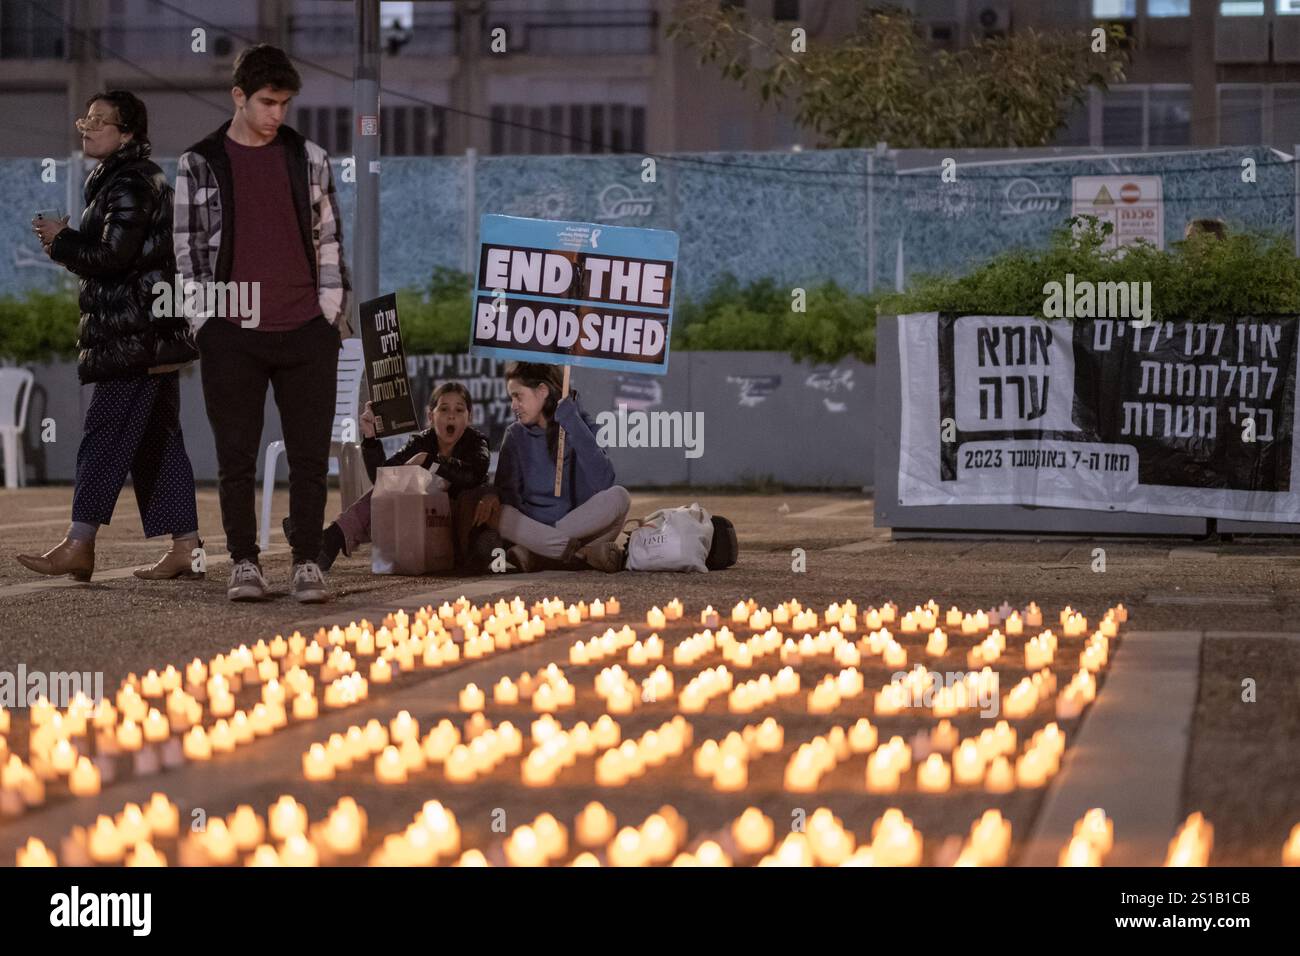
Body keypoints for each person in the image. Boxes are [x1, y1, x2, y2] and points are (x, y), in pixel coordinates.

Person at [175, 44, 350, 603]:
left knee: (307, 455)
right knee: (236, 456)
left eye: (285, 103)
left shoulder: (310, 158)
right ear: (239, 97)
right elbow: (187, 250)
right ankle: (244, 562)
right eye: (267, 102)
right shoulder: (199, 161)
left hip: (306, 328)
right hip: (233, 331)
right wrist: (206, 320)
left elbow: (330, 239)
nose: (277, 114)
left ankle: (305, 563)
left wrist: (329, 314)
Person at [17, 91, 202, 583]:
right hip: (148, 335)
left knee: (104, 436)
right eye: (86, 119)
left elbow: (112, 259)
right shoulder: (126, 180)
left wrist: (62, 240)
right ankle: (187, 548)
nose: (87, 128)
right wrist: (68, 241)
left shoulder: (131, 184)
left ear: (128, 134)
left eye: (99, 121)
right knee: (157, 443)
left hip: (135, 337)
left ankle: (79, 542)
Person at [290, 383, 502, 573]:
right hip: (419, 526)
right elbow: (384, 479)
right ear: (430, 416)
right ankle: (328, 539)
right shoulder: (420, 442)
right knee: (385, 495)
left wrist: (431, 462)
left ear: (469, 416)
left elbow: (473, 475)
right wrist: (371, 439)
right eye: (444, 409)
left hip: (456, 525)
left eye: (459, 410)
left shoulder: (476, 441)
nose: (451, 416)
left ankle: (324, 539)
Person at [482, 362, 630, 573]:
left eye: (518, 396)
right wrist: (537, 529)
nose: (513, 406)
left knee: (620, 497)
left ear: (542, 392)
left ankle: (537, 554)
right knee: (501, 513)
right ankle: (581, 555)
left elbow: (604, 480)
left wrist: (573, 422)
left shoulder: (581, 424)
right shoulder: (515, 435)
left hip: (574, 528)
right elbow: (508, 497)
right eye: (511, 398)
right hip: (532, 528)